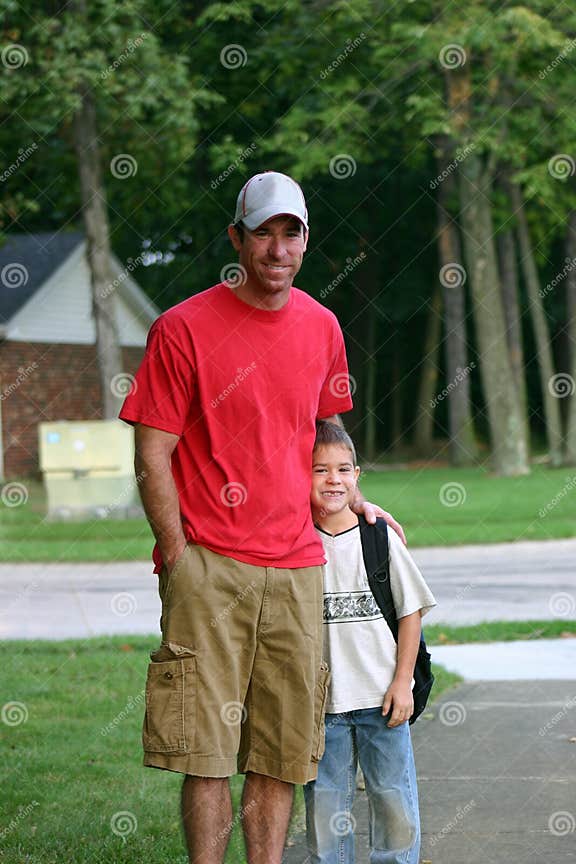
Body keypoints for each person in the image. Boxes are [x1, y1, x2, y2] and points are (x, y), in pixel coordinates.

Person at [119, 171, 405, 864]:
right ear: (237, 239)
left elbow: (321, 426)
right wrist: (178, 554)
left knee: (281, 752)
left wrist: (349, 493)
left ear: (306, 239)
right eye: (263, 234)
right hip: (210, 566)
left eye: (292, 233)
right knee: (208, 752)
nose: (278, 249)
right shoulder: (183, 327)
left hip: (297, 568)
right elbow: (152, 453)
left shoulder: (321, 326)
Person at [304, 420, 436, 864]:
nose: (333, 480)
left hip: (383, 700)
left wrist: (403, 683)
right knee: (325, 817)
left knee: (394, 806)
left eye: (343, 470)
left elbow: (410, 613)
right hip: (321, 707)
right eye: (319, 470)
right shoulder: (296, 543)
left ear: (357, 476)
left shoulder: (377, 536)